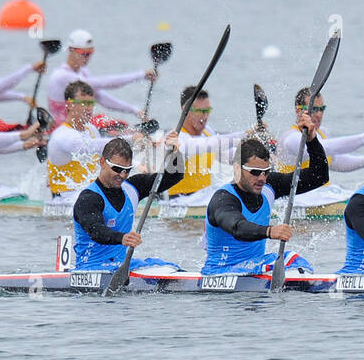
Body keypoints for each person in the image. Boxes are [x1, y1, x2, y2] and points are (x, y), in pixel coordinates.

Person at [202, 115, 327, 276]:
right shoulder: (223, 199)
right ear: (237, 168)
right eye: (255, 172)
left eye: (266, 172)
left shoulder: (269, 185)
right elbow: (237, 227)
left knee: (294, 262)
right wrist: (270, 231)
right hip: (221, 272)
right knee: (291, 259)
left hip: (254, 271)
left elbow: (319, 176)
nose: (262, 178)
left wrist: (312, 140)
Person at [71, 137, 183, 271]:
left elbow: (175, 176)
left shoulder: (133, 188)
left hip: (121, 265)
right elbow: (96, 230)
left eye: (127, 170)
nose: (122, 175)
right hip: (91, 266)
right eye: (117, 169)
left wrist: (175, 153)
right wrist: (122, 238)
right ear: (102, 162)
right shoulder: (88, 199)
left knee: (171, 268)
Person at [46, 81, 147, 201]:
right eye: (84, 103)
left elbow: (108, 156)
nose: (89, 109)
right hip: (65, 199)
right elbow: (89, 146)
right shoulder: (62, 135)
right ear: (69, 104)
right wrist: (131, 139)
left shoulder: (91, 129)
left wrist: (138, 165)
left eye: (91, 103)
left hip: (88, 195)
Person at [160, 86, 257, 204]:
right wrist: (245, 134)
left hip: (203, 196)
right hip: (179, 201)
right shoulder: (175, 138)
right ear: (185, 110)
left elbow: (224, 156)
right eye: (200, 111)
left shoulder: (207, 131)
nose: (204, 116)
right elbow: (208, 144)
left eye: (207, 111)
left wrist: (252, 155)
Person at [44, 29, 154, 124]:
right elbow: (104, 83)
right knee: (108, 124)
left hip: (79, 123)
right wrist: (140, 75)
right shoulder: (62, 76)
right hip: (61, 126)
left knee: (119, 124)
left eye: (90, 53)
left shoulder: (84, 72)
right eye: (84, 54)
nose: (88, 57)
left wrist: (135, 110)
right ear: (71, 50)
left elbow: (102, 98)